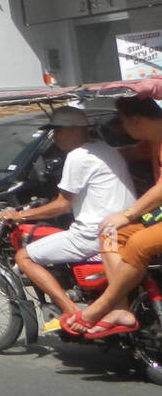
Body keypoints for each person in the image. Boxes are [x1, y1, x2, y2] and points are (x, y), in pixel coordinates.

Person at [0, 106, 135, 331]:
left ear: (74, 130)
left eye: (58, 129)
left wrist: (20, 215)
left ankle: (73, 312)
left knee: (24, 257)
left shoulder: (78, 155)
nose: (54, 136)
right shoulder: (106, 149)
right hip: (125, 226)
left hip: (94, 232)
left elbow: (62, 205)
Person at [63, 95, 162, 337]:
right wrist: (97, 150)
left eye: (123, 121)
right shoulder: (152, 142)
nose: (122, 127)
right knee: (108, 232)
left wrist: (128, 214)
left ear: (136, 121)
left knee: (138, 243)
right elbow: (126, 155)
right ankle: (121, 309)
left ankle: (100, 307)